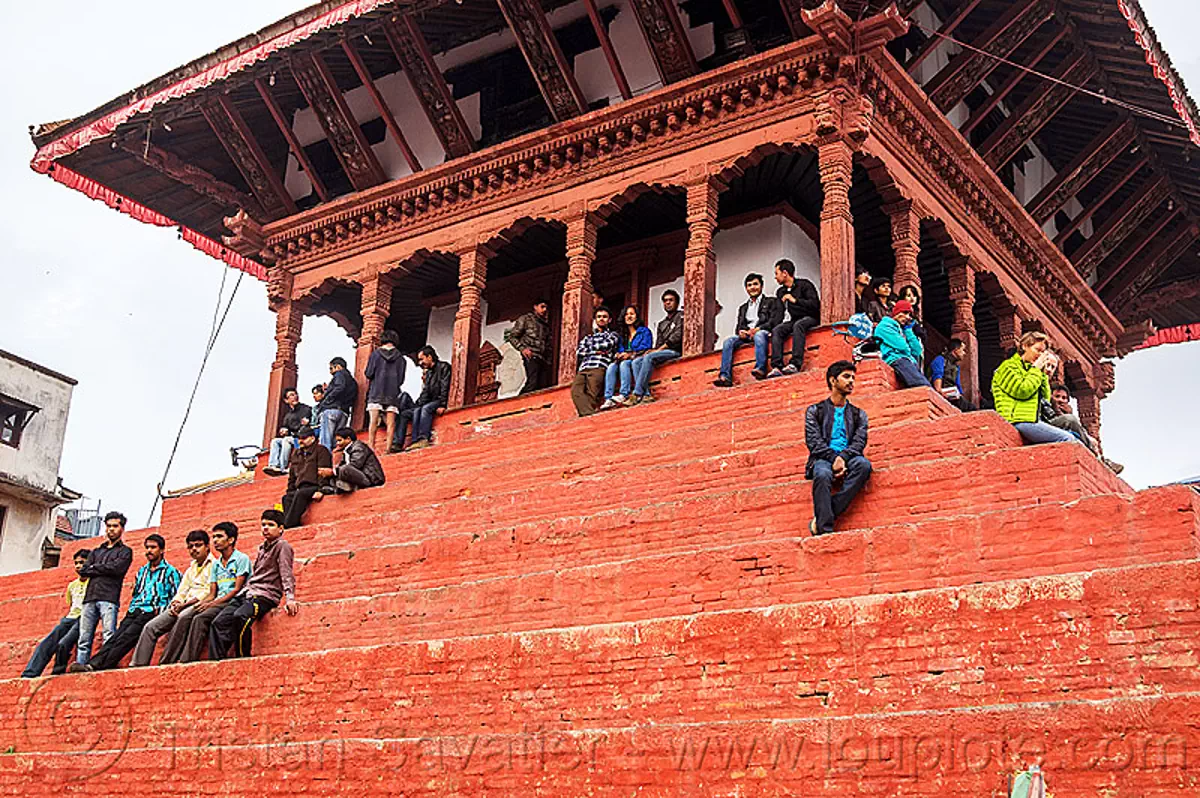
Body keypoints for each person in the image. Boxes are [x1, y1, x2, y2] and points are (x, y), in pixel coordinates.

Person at [69, 534, 180, 672]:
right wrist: (132, 607)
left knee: (126, 638)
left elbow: (177, 595)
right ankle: (93, 664)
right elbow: (137, 592)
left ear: (162, 550)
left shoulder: (171, 572)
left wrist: (161, 611)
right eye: (147, 548)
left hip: (152, 610)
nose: (149, 551)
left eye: (153, 547)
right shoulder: (142, 571)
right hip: (135, 610)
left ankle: (96, 666)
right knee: (115, 637)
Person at [209, 509, 298, 660]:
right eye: (263, 524)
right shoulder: (262, 548)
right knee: (219, 622)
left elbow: (286, 573)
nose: (266, 528)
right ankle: (217, 662)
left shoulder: (283, 546)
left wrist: (290, 598)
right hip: (247, 593)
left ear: (281, 529)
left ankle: (242, 658)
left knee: (240, 616)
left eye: (271, 525)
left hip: (265, 596)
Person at [163, 522, 249, 664]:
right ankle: (174, 660)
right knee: (196, 613)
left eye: (219, 536)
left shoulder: (241, 559)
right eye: (214, 537)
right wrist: (204, 603)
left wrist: (211, 604)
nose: (215, 540)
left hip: (233, 601)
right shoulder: (217, 564)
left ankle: (187, 660)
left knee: (200, 618)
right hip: (218, 600)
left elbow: (236, 589)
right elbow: (212, 593)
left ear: (231, 540)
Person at [805, 361, 872, 536]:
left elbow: (859, 442)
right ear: (833, 380)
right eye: (846, 377)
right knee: (822, 474)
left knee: (864, 466)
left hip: (850, 458)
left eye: (853, 378)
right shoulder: (815, 411)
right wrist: (834, 458)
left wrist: (843, 458)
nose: (851, 381)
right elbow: (813, 442)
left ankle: (824, 516)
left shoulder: (859, 414)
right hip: (823, 459)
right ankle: (825, 530)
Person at [130, 530, 214, 667]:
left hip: (197, 604)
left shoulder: (214, 565)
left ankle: (166, 662)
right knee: (150, 627)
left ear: (207, 546)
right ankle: (137, 664)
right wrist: (176, 602)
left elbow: (207, 592)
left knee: (183, 617)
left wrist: (183, 605)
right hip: (181, 605)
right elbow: (182, 590)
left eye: (198, 545)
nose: (194, 549)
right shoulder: (191, 568)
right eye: (190, 546)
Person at [992, 331, 1078, 446]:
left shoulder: (1031, 370)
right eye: (1037, 350)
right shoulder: (1008, 367)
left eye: (1043, 352)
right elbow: (1022, 391)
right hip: (1017, 419)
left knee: (1076, 438)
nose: (1040, 355)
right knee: (1067, 439)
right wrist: (1036, 370)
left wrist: (1043, 374)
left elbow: (1045, 398)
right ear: (1024, 346)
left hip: (1031, 420)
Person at [73, 511, 132, 667]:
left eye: (115, 526)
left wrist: (95, 568)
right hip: (90, 597)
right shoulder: (96, 551)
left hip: (109, 597)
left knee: (109, 635)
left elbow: (117, 569)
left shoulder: (125, 551)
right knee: (84, 638)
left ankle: (105, 666)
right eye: (108, 526)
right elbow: (84, 570)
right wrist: (103, 568)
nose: (111, 529)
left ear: (122, 528)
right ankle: (81, 665)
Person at [21, 550, 90, 677]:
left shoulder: (94, 583)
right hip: (69, 618)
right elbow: (71, 604)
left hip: (84, 618)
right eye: (76, 563)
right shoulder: (72, 585)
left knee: (63, 643)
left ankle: (57, 672)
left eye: (82, 562)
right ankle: (29, 673)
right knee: (46, 644)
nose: (78, 566)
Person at [713, 273, 783, 386]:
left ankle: (760, 368)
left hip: (764, 332)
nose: (752, 287)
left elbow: (775, 320)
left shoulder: (771, 301)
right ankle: (725, 376)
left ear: (761, 286)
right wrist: (741, 332)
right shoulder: (743, 307)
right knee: (728, 341)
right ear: (746, 288)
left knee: (759, 335)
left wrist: (759, 328)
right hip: (747, 335)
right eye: (749, 285)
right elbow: (739, 326)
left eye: (755, 284)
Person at [1048, 384, 1124, 474]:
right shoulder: (1047, 406)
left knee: (1086, 437)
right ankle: (1099, 457)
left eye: (1064, 398)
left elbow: (1078, 429)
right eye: (1057, 396)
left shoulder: (1066, 413)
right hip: (1047, 430)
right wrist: (1060, 412)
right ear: (1051, 396)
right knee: (1071, 420)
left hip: (1068, 439)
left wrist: (1066, 413)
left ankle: (1101, 459)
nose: (1061, 400)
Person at [767, 259, 820, 378]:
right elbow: (779, 313)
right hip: (795, 319)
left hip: (811, 317)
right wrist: (771, 328)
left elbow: (815, 305)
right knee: (777, 330)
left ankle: (795, 364)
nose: (775, 277)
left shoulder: (805, 285)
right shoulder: (780, 292)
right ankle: (777, 366)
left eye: (776, 273)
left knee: (799, 325)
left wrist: (795, 300)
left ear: (785, 273)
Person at [630, 290, 684, 403]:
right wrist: (652, 350)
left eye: (671, 300)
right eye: (665, 301)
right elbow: (659, 343)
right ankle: (646, 395)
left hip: (675, 351)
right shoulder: (661, 324)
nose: (667, 303)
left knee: (649, 357)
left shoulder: (681, 316)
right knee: (636, 362)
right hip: (662, 352)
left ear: (677, 302)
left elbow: (676, 338)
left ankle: (637, 393)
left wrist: (657, 350)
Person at [394, 345, 451, 451]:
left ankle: (422, 439)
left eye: (422, 359)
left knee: (424, 409)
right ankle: (397, 442)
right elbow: (426, 393)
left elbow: (445, 387)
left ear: (429, 357)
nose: (420, 363)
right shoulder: (429, 373)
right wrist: (417, 404)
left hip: (438, 400)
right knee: (405, 412)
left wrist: (443, 404)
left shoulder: (444, 367)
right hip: (428, 402)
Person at [281, 425, 334, 528]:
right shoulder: (296, 453)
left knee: (300, 494)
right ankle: (293, 524)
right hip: (300, 487)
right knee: (286, 498)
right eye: (299, 438)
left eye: (304, 438)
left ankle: (288, 525)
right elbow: (292, 476)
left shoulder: (321, 450)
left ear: (312, 438)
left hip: (314, 486)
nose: (300, 441)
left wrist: (321, 490)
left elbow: (323, 471)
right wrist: (290, 490)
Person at [571, 307, 620, 416]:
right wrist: (596, 351)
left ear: (609, 320)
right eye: (599, 317)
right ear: (595, 319)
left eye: (604, 317)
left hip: (599, 366)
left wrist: (590, 350)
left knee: (592, 395)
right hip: (584, 367)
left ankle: (587, 417)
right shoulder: (588, 337)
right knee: (575, 391)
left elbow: (606, 345)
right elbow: (579, 351)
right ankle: (589, 415)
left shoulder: (613, 335)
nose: (601, 319)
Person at [601, 305, 653, 409]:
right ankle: (608, 398)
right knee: (611, 366)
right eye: (626, 314)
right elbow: (621, 349)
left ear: (637, 316)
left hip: (639, 357)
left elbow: (646, 347)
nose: (629, 316)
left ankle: (624, 394)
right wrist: (619, 354)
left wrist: (629, 354)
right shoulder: (623, 335)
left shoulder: (644, 331)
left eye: (632, 314)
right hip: (626, 358)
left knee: (624, 364)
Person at [365, 330, 407, 451]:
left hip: (376, 391)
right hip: (392, 393)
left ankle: (371, 447)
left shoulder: (375, 355)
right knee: (391, 423)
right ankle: (388, 449)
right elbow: (401, 380)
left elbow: (369, 373)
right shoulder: (401, 358)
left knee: (373, 421)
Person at [874, 300, 930, 388]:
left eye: (909, 315)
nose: (907, 317)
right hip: (896, 359)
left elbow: (917, 351)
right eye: (905, 313)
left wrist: (908, 331)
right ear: (896, 312)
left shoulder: (903, 330)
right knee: (923, 386)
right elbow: (903, 347)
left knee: (927, 388)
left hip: (909, 362)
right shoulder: (884, 326)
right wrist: (909, 352)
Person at [504, 299, 552, 394]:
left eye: (546, 308)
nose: (544, 310)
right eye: (542, 307)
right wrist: (523, 349)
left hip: (543, 358)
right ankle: (519, 401)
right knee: (532, 383)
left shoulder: (545, 326)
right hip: (531, 355)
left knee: (543, 386)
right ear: (535, 307)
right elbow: (512, 337)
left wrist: (549, 360)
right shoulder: (526, 319)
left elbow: (548, 344)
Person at [264, 388, 312, 477]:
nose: (295, 397)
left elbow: (304, 426)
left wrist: (290, 432)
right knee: (275, 441)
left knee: (286, 440)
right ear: (286, 400)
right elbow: (286, 427)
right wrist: (284, 431)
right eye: (291, 395)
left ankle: (283, 467)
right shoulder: (288, 415)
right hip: (292, 437)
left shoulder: (306, 409)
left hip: (302, 437)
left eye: (295, 394)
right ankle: (273, 465)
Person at [316, 357, 357, 451]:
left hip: (331, 410)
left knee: (326, 441)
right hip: (344, 412)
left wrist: (327, 399)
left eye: (331, 368)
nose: (330, 371)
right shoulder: (352, 381)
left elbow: (339, 388)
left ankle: (325, 458)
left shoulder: (339, 374)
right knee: (336, 442)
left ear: (338, 367)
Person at [332, 427, 386, 492]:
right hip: (361, 477)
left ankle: (348, 486)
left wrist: (334, 472)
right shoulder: (346, 450)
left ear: (348, 439)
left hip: (371, 479)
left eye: (339, 440)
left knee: (344, 469)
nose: (337, 443)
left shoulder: (358, 447)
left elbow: (355, 465)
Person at [929, 339, 976, 411]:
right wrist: (942, 394)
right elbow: (937, 387)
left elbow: (958, 386)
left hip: (953, 395)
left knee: (970, 407)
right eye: (963, 350)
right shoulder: (940, 360)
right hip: (941, 394)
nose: (964, 353)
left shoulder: (956, 367)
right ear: (956, 350)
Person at [896, 284, 927, 358]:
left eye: (914, 295)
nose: (912, 298)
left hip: (917, 345)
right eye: (908, 295)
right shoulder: (899, 313)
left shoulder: (916, 314)